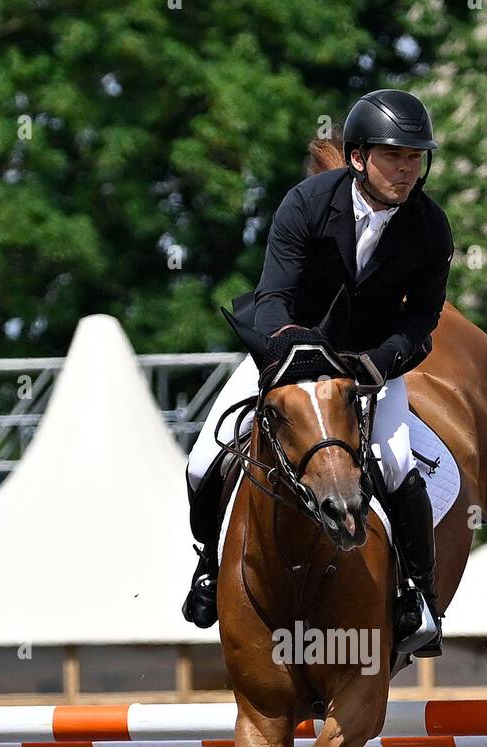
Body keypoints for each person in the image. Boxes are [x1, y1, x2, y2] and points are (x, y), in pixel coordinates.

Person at [182, 89, 454, 656]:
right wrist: (297, 355)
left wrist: (381, 363)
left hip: (368, 363)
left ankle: (418, 596)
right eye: (394, 156)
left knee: (397, 463)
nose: (407, 169)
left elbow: (422, 317)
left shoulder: (429, 226)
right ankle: (209, 567)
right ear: (358, 158)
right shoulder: (305, 203)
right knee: (204, 456)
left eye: (415, 157)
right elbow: (275, 295)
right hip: (289, 354)